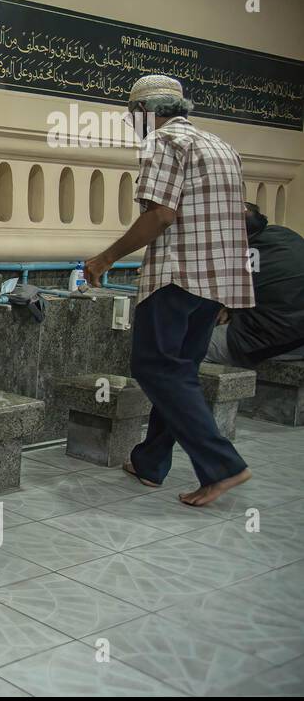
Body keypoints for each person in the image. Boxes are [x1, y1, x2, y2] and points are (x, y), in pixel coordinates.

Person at [85, 74, 254, 507]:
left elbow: (160, 216)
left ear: (145, 112)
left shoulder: (162, 143)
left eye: (131, 116)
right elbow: (236, 221)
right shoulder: (223, 147)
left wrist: (105, 258)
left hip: (178, 276)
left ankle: (223, 466)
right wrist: (227, 295)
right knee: (178, 372)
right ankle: (151, 462)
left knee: (155, 367)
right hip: (217, 282)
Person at [205, 203, 304, 367]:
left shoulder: (242, 254)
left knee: (182, 349)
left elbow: (208, 307)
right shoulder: (285, 235)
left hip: (270, 342)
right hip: (297, 337)